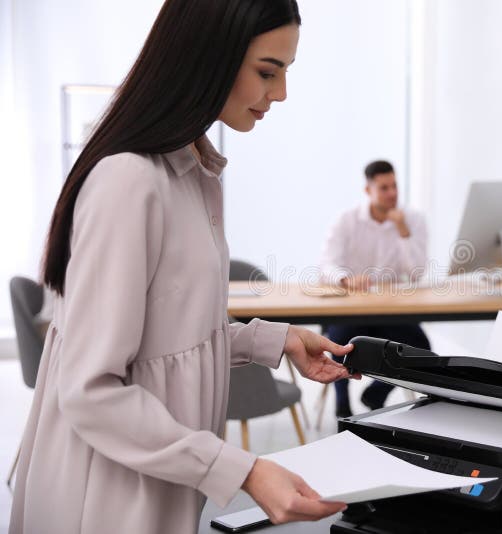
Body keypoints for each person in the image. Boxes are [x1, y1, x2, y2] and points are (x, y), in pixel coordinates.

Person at [10, 1, 355, 533]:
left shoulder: (194, 172)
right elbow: (90, 389)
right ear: (208, 56)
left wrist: (274, 339)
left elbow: (167, 338)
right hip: (104, 495)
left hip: (154, 476)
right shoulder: (131, 180)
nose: (280, 94)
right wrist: (243, 470)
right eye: (268, 71)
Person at [320, 160, 431, 417]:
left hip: (392, 311)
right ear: (368, 190)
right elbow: (327, 263)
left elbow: (416, 273)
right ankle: (342, 402)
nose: (392, 193)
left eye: (394, 186)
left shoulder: (412, 220)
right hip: (352, 310)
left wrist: (403, 231)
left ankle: (376, 393)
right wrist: (346, 280)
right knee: (339, 341)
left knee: (421, 348)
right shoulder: (346, 221)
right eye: (384, 188)